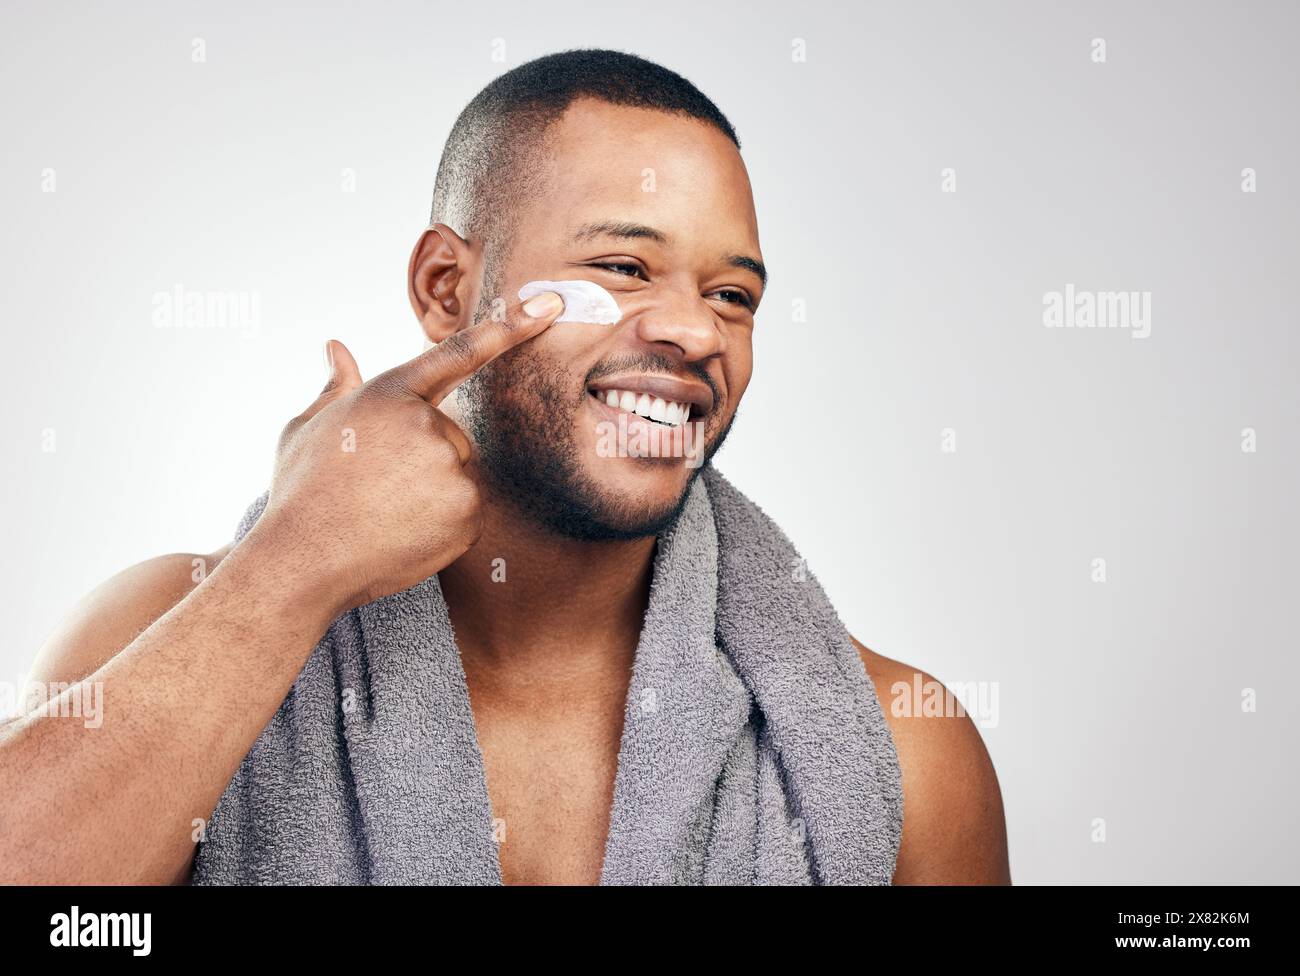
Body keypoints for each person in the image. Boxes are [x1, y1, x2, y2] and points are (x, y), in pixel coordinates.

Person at [1, 49, 1009, 885]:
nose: (696, 331)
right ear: (448, 287)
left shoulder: (900, 755)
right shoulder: (154, 640)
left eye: (733, 295)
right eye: (622, 268)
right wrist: (289, 563)